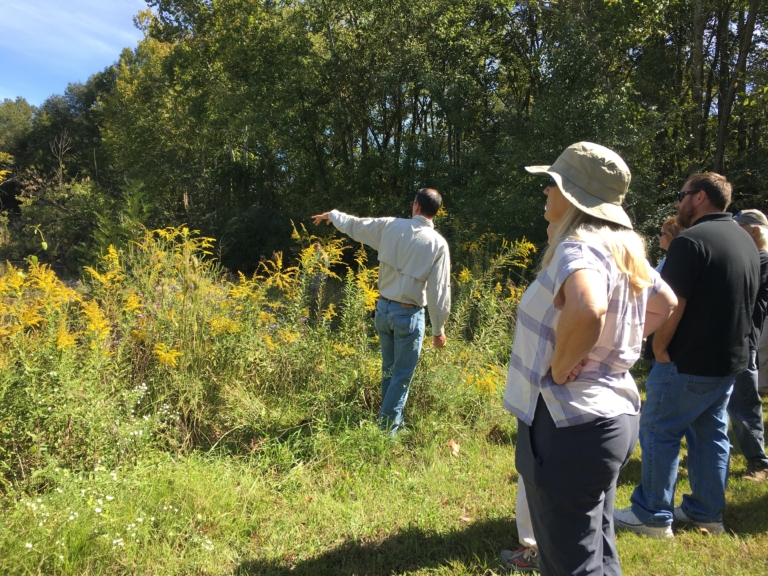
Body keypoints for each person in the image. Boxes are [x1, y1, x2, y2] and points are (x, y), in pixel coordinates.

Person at [502, 142, 677, 575]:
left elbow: (588, 308)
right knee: (597, 549)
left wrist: (563, 365)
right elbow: (666, 303)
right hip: (613, 418)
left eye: (552, 184)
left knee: (570, 564)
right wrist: (601, 348)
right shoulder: (624, 250)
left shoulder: (576, 247)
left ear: (573, 195)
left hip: (568, 425)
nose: (545, 192)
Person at [615, 173, 759, 538]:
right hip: (729, 362)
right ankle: (706, 512)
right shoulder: (744, 239)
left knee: (660, 431)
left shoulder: (691, 241)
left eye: (682, 196)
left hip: (686, 362)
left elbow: (672, 303)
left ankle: (651, 515)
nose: (677, 203)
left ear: (699, 198)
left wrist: (659, 348)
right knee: (710, 433)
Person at [312, 189, 450, 434]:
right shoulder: (438, 244)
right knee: (402, 375)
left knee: (390, 369)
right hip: (408, 315)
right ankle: (386, 430)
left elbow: (357, 225)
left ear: (416, 206)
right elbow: (439, 291)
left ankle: (393, 421)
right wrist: (438, 329)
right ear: (434, 212)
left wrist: (332, 215)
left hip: (383, 310)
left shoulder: (391, 227)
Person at [727, 209, 768, 482]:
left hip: (744, 341)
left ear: (753, 230)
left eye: (738, 228)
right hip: (736, 339)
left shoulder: (763, 260)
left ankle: (759, 463)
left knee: (743, 404)